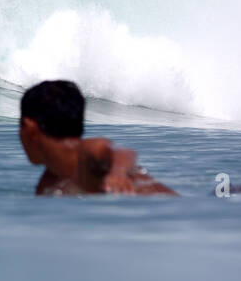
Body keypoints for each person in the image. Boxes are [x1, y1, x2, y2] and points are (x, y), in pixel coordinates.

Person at [18, 80, 176, 195]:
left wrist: (117, 173)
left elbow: (120, 151)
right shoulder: (48, 184)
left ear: (31, 129)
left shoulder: (86, 152)